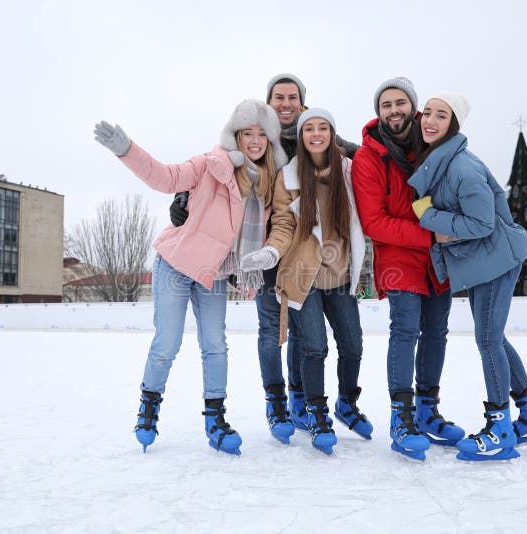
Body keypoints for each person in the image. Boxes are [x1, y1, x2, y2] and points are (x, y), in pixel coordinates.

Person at [171, 74, 366, 445]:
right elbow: (214, 167)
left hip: (305, 255)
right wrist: (182, 195)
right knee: (270, 331)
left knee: (303, 333)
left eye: (293, 97)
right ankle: (276, 403)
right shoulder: (258, 134)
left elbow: (361, 154)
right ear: (269, 101)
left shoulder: (316, 131)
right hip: (260, 247)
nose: (286, 103)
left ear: (303, 103)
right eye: (279, 97)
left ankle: (299, 400)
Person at [93, 99, 288, 456]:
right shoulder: (210, 164)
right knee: (167, 343)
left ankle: (216, 419)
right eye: (248, 133)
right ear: (236, 135)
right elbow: (165, 177)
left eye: (262, 134)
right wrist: (127, 150)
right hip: (176, 265)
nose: (255, 140)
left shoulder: (268, 186)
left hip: (213, 273)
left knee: (215, 345)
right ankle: (148, 408)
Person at [408, 92, 527, 461]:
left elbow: (481, 222)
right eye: (427, 113)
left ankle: (499, 428)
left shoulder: (462, 167)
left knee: (488, 341)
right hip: (483, 264)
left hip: (495, 261)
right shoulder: (440, 162)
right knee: (493, 338)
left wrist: (427, 216)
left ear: (453, 124)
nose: (430, 120)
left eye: (440, 116)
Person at [241, 108, 369, 455]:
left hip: (340, 274)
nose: (316, 134)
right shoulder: (289, 176)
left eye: (322, 127)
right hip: (303, 274)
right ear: (300, 136)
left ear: (331, 133)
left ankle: (347, 401)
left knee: (353, 345)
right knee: (314, 346)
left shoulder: (348, 169)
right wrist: (270, 251)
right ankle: (316, 412)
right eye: (308, 128)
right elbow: (283, 222)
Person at [351, 77, 464, 461]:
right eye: (386, 105)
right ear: (378, 112)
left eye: (400, 103)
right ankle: (401, 417)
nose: (394, 110)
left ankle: (428, 411)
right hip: (400, 256)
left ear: (411, 107)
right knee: (405, 330)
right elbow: (374, 222)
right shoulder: (368, 159)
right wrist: (432, 236)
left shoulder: (431, 142)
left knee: (437, 333)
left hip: (439, 259)